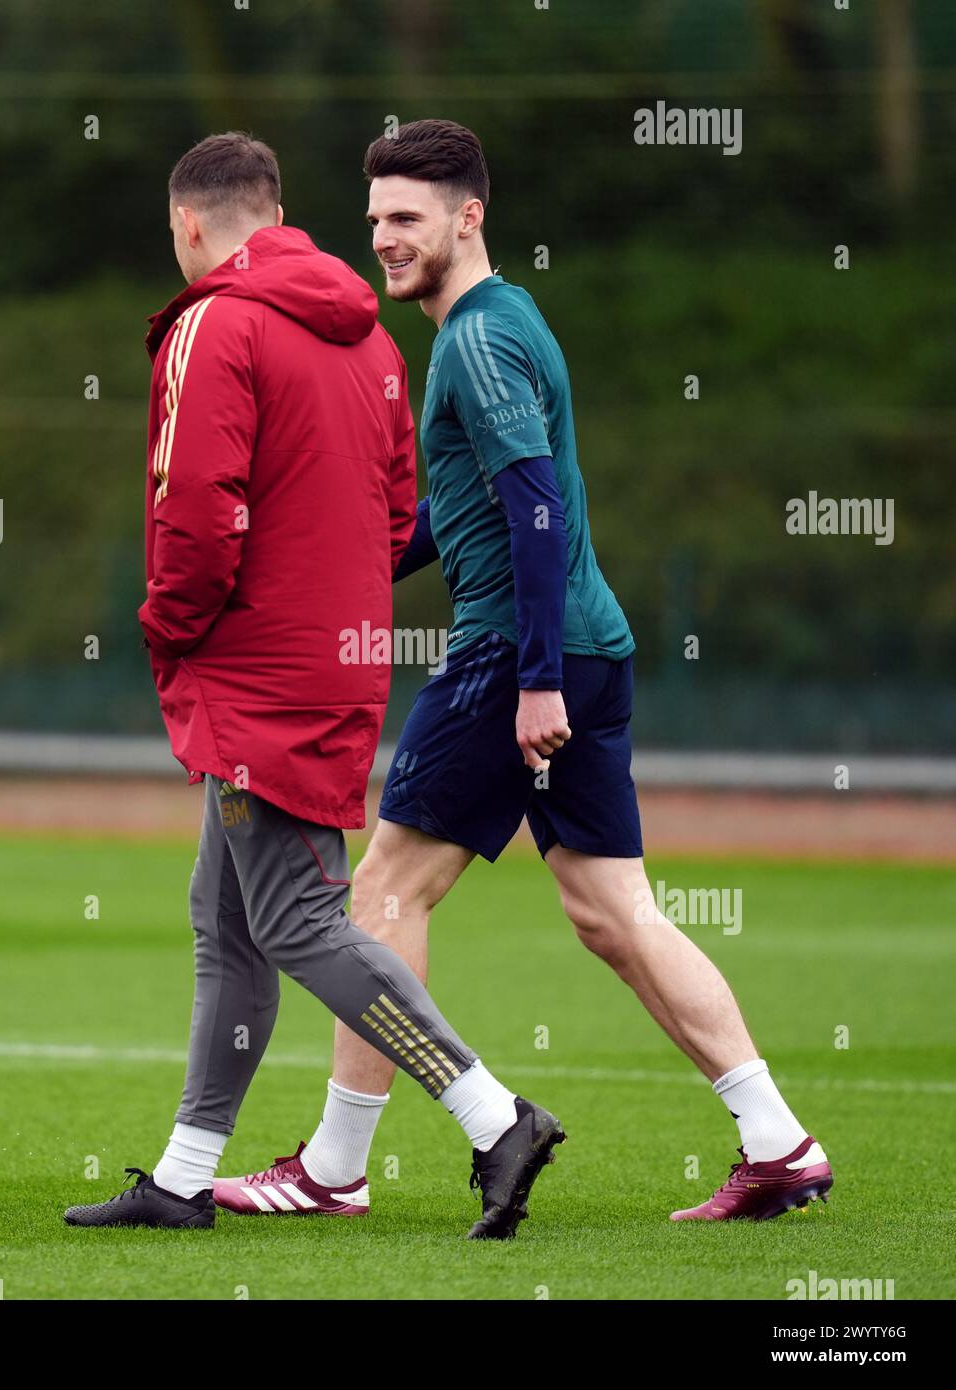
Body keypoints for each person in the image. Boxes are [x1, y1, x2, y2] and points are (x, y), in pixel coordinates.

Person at [213, 120, 833, 1225]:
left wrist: (533, 678)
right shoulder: (506, 320)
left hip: (517, 657)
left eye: (407, 218)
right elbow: (463, 513)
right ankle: (779, 1142)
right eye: (375, 219)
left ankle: (335, 1169)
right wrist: (333, 569)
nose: (384, 239)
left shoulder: (476, 342)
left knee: (383, 892)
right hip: (588, 650)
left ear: (469, 217)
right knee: (613, 911)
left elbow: (536, 510)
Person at [63, 132, 564, 1240]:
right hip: (335, 661)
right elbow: (398, 514)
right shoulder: (371, 339)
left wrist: (167, 629)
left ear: (188, 223)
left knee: (293, 919)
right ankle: (184, 1178)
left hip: (252, 673)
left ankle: (494, 1116)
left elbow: (194, 510)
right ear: (278, 216)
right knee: (228, 919)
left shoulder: (213, 324)